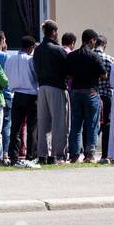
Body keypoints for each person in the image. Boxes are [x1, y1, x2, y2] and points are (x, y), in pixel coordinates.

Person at [66, 29, 105, 163]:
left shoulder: (72, 56)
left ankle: (74, 155)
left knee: (76, 125)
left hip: (75, 92)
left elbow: (68, 75)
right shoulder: (94, 56)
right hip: (91, 93)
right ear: (92, 40)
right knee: (92, 124)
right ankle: (89, 155)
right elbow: (103, 74)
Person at [34, 20, 70, 164]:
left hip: (41, 87)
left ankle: (43, 155)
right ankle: (58, 155)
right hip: (57, 86)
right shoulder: (58, 50)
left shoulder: (38, 49)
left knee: (43, 123)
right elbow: (66, 70)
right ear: (54, 32)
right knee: (59, 123)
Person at [4, 36, 39, 164]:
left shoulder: (10, 58)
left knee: (15, 128)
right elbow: (36, 75)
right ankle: (31, 155)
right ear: (31, 47)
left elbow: (6, 74)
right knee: (32, 127)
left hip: (16, 94)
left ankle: (13, 156)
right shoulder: (30, 60)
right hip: (31, 94)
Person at [94, 35, 114, 162]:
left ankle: (88, 152)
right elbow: (112, 81)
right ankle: (104, 154)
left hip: (92, 94)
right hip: (106, 96)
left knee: (91, 124)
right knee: (106, 124)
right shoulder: (110, 59)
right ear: (105, 45)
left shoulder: (88, 56)